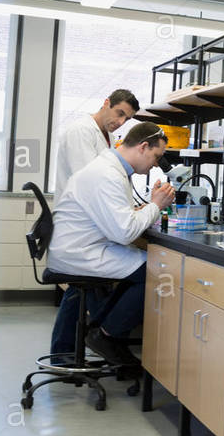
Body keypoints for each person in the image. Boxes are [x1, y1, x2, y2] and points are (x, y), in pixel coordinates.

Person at [48, 122, 175, 367]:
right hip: (81, 252)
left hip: (79, 247)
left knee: (138, 268)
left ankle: (99, 332)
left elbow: (116, 215)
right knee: (158, 271)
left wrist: (142, 208)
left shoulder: (111, 168)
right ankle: (106, 336)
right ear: (143, 146)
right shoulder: (107, 173)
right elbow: (125, 232)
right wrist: (156, 205)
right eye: (156, 156)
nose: (157, 164)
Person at [53, 89, 140, 196]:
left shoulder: (110, 137)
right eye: (120, 113)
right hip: (77, 209)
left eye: (126, 119)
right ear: (106, 103)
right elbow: (89, 180)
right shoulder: (81, 131)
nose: (121, 122)